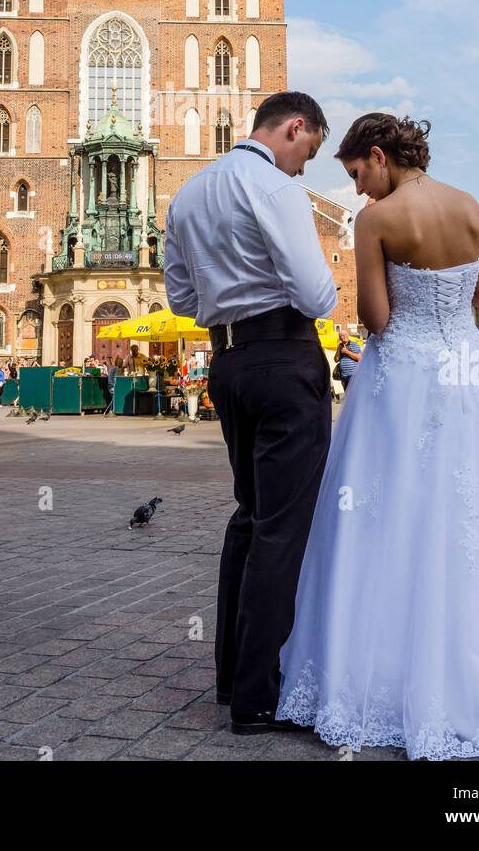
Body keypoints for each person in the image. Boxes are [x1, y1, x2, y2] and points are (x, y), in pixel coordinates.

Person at [275, 111, 479, 758]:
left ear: (378, 155)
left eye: (358, 174)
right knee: (476, 512)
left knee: (387, 515)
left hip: (400, 379)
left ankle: (385, 673)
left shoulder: (377, 221)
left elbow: (376, 317)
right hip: (465, 374)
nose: (360, 190)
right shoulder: (472, 207)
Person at [164, 90, 336, 733]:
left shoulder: (188, 193)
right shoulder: (274, 186)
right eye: (309, 151)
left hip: (227, 364)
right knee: (280, 528)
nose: (303, 166)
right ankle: (257, 697)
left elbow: (181, 297)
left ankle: (231, 674)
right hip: (283, 356)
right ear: (295, 128)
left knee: (250, 515)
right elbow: (315, 292)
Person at [332, 334, 361, 401]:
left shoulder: (354, 344)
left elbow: (359, 357)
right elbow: (336, 360)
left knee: (354, 395)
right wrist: (338, 351)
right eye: (342, 335)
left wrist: (347, 352)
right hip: (344, 376)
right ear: (340, 338)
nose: (344, 336)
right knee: (347, 396)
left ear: (348, 336)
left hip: (353, 374)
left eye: (345, 334)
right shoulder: (340, 346)